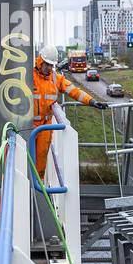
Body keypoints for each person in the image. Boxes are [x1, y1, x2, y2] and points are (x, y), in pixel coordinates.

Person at [31, 46, 106, 178]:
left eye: (52, 65)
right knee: (26, 157)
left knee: (41, 158)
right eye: (47, 65)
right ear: (40, 61)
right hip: (29, 125)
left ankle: (38, 187)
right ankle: (28, 184)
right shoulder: (29, 76)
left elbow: (75, 91)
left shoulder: (56, 79)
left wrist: (92, 101)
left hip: (46, 125)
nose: (49, 68)